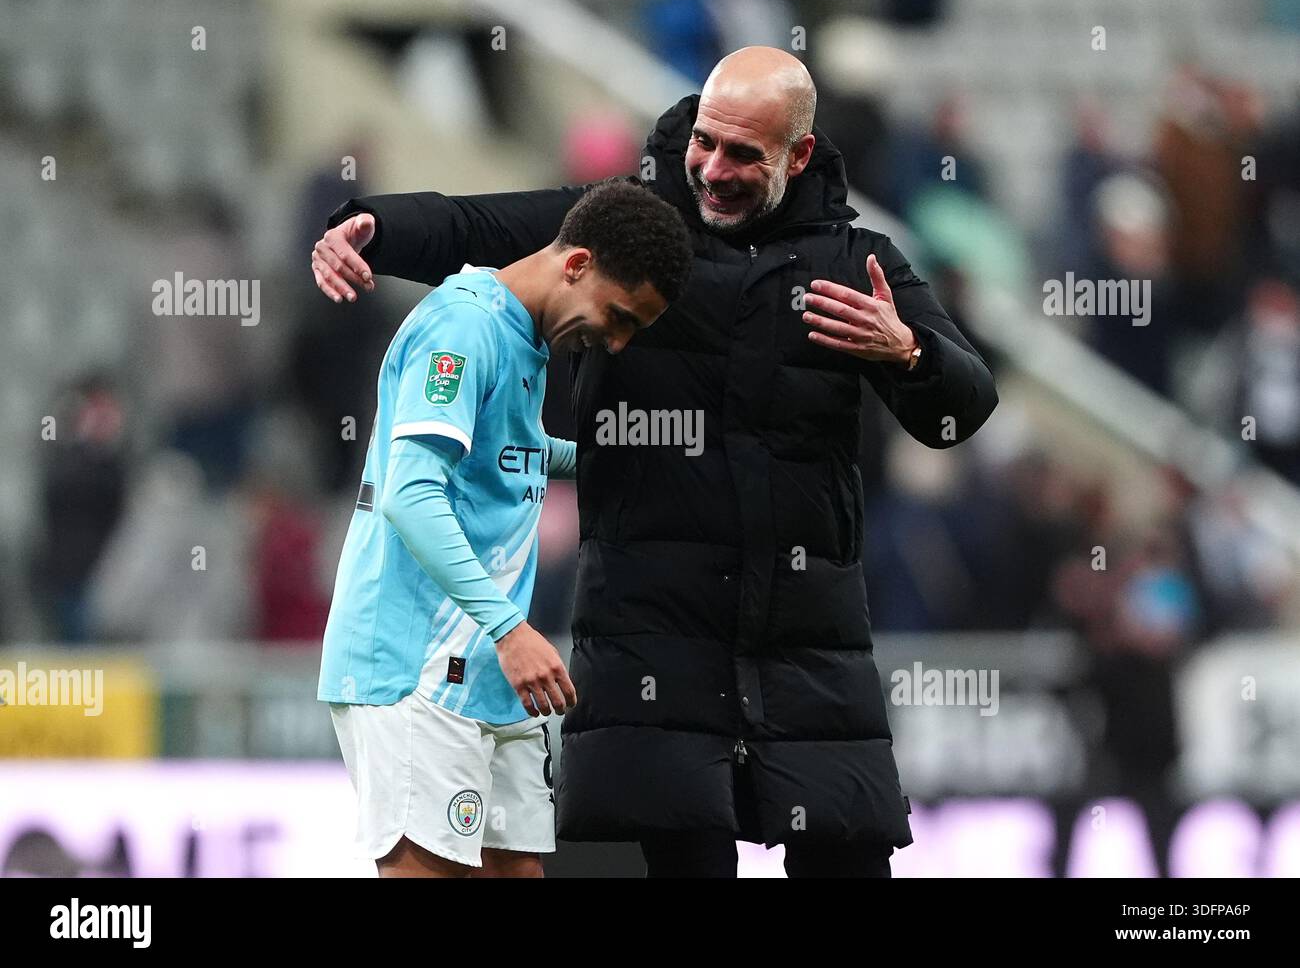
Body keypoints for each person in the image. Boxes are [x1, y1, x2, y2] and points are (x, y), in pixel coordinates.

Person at [312, 47, 999, 878]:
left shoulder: (859, 266)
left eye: (744, 154)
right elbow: (480, 226)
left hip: (808, 642)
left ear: (800, 155)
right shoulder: (629, 227)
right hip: (653, 639)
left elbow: (962, 410)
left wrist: (911, 351)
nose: (712, 169)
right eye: (705, 142)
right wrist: (371, 229)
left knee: (850, 862)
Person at [317, 179, 693, 878]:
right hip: (417, 667)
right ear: (577, 264)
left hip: (488, 674)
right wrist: (509, 629)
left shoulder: (525, 337)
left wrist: (616, 464)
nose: (614, 341)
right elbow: (411, 493)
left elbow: (505, 454)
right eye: (617, 316)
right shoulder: (462, 327)